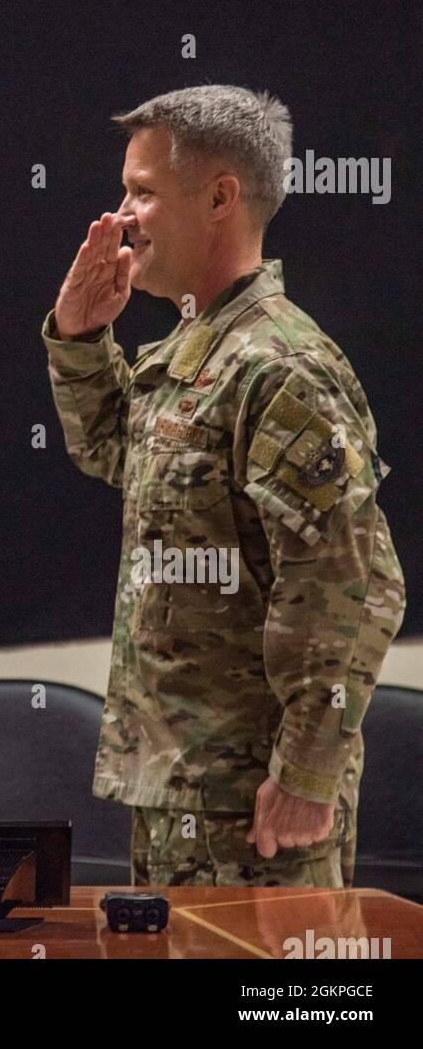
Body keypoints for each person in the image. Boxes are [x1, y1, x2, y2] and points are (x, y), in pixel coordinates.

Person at [42, 84, 404, 887]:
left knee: (274, 1012)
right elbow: (115, 454)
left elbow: (355, 585)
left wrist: (307, 775)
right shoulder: (193, 347)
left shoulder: (278, 364)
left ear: (218, 198)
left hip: (254, 805)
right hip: (178, 783)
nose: (123, 215)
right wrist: (78, 338)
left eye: (142, 192)